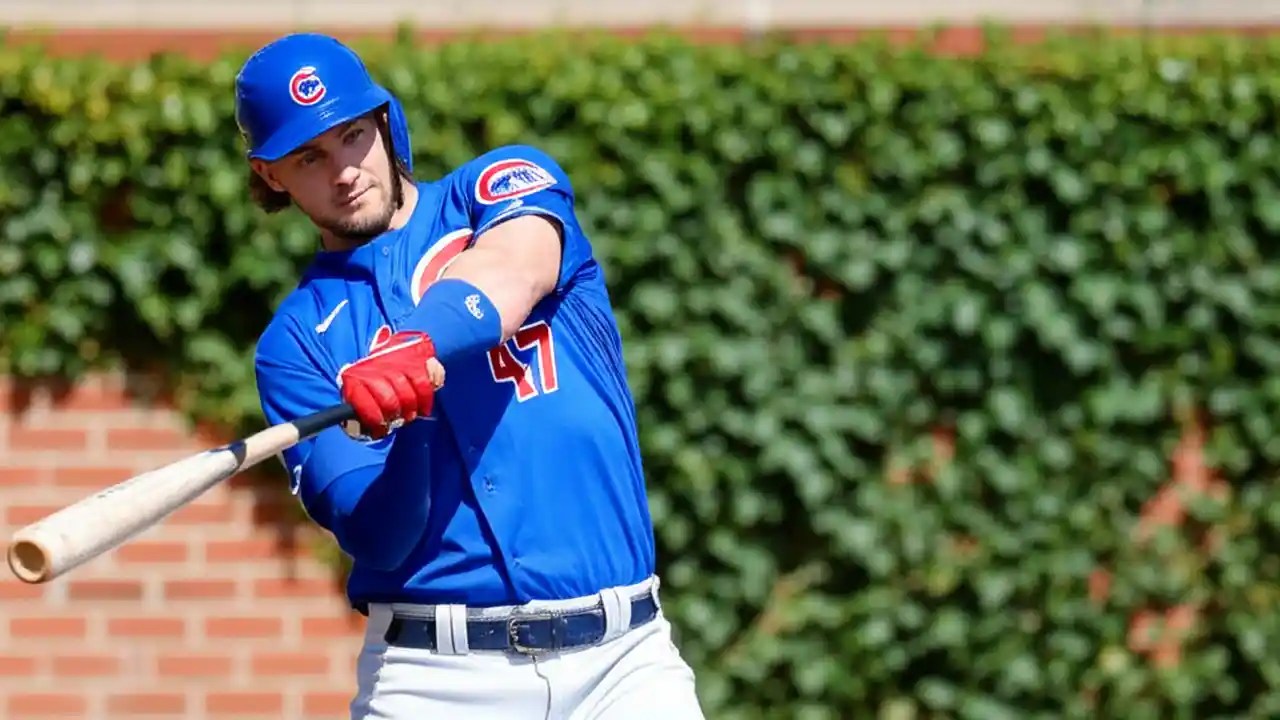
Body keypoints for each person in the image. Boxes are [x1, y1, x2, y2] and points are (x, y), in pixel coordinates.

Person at [238, 32, 704, 720]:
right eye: (310, 156)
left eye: (352, 136)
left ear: (386, 122)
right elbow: (377, 537)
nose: (344, 170)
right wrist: (413, 424)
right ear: (273, 176)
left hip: (623, 665)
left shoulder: (497, 187)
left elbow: (516, 268)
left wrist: (415, 348)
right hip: (436, 680)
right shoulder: (296, 343)